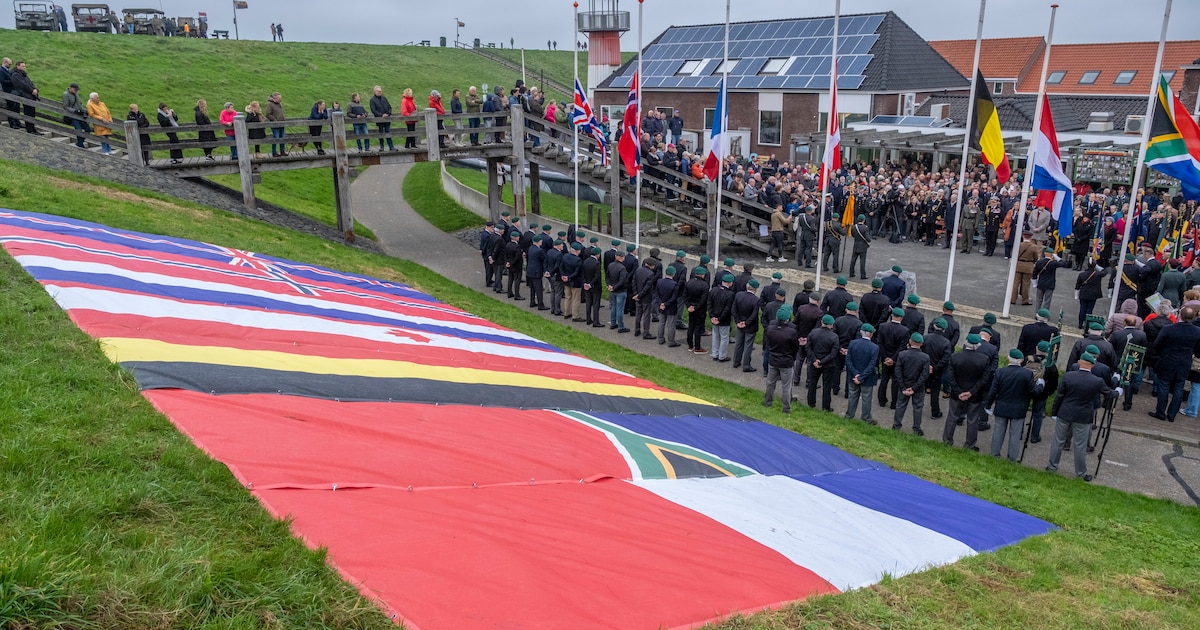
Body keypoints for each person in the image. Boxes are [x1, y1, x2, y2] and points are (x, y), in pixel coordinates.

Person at [1048, 352, 1118, 481]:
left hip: (1065, 412)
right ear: (1092, 365)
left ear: (1079, 362)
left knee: (1058, 441)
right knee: (1080, 446)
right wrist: (1118, 391)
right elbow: (1109, 394)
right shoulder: (1097, 381)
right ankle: (1081, 473)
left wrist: (1054, 412)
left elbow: (1059, 396)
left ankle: (1052, 466)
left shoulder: (1068, 376)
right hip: (1083, 416)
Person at [985, 349, 1045, 462]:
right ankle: (1012, 458)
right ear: (1021, 360)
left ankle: (994, 454)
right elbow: (1033, 392)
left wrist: (988, 405)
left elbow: (993, 391)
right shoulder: (1027, 374)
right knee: (1015, 435)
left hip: (1002, 406)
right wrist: (1041, 385)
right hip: (1019, 409)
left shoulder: (1000, 372)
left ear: (1008, 358)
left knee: (998, 432)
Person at [943, 333, 994, 450]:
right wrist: (971, 392)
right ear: (978, 345)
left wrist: (958, 391)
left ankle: (947, 440)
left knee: (952, 417)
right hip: (975, 395)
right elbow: (984, 379)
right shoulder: (984, 359)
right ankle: (970, 444)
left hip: (957, 394)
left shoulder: (955, 357)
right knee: (973, 419)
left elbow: (950, 376)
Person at [1149, 305, 1200, 423]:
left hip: (1167, 360)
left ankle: (1160, 412)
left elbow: (1157, 344)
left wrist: (1163, 353)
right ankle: (1172, 415)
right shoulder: (1197, 332)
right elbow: (1197, 348)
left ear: (1180, 315)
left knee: (1164, 386)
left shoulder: (1169, 329)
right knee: (1179, 387)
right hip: (1184, 362)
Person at [893, 333, 931, 435]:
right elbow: (924, 375)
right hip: (918, 388)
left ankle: (896, 425)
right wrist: (914, 388)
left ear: (910, 341)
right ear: (921, 343)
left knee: (900, 405)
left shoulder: (902, 354)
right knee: (918, 408)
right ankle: (916, 428)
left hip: (904, 385)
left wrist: (903, 387)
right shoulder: (925, 357)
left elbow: (898, 372)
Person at [764, 305, 799, 414]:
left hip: (773, 359)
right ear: (787, 319)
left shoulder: (769, 329)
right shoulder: (791, 332)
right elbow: (795, 348)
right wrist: (792, 358)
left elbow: (768, 343)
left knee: (770, 383)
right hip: (786, 362)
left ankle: (768, 402)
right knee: (786, 386)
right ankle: (786, 408)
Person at [806, 314, 841, 411]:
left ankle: (811, 403)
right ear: (831, 325)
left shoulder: (813, 332)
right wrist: (821, 362)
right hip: (828, 364)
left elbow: (808, 348)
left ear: (822, 322)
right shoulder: (834, 337)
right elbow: (833, 354)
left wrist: (814, 360)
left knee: (813, 383)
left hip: (814, 363)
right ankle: (826, 406)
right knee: (827, 385)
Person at [845, 324, 879, 424]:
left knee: (852, 396)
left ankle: (849, 415)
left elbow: (848, 360)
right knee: (866, 399)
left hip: (853, 376)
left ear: (861, 332)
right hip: (867, 378)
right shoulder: (874, 347)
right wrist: (862, 377)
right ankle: (866, 418)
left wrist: (856, 374)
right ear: (871, 334)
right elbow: (871, 365)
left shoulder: (852, 343)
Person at [876, 307, 909, 408]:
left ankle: (881, 400)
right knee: (895, 380)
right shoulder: (905, 330)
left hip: (885, 357)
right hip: (897, 359)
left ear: (892, 315)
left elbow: (880, 342)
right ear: (901, 318)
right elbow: (902, 346)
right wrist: (893, 359)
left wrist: (885, 357)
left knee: (884, 379)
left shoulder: (882, 326)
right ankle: (894, 403)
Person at [923, 318, 953, 419]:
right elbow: (945, 359)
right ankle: (935, 412)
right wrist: (935, 368)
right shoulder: (946, 343)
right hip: (937, 371)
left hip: (924, 368)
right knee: (935, 393)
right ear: (944, 329)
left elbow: (921, 353)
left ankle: (917, 407)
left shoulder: (925, 338)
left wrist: (927, 366)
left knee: (920, 388)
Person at [732, 279, 761, 371]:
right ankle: (746, 365)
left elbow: (734, 309)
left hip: (740, 323)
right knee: (748, 345)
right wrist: (746, 323)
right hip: (750, 326)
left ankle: (736, 361)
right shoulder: (756, 300)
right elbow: (754, 314)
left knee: (738, 343)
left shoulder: (738, 295)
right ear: (755, 289)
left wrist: (738, 321)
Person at [1031, 247, 1070, 311]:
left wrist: (1034, 284)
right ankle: (1044, 315)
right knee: (1047, 301)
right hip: (1050, 284)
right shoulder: (1053, 263)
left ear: (1045, 253)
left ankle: (1037, 313)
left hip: (1041, 283)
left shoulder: (1039, 262)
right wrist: (1057, 257)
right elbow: (1064, 264)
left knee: (1039, 300)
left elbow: (1034, 274)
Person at [708, 274, 735, 361]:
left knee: (715, 336)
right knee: (724, 338)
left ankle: (715, 354)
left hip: (714, 317)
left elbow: (709, 304)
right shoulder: (730, 294)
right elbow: (727, 308)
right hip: (724, 319)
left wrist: (712, 316)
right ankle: (722, 356)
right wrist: (720, 319)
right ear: (730, 283)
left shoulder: (713, 290)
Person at [684, 268, 710, 353]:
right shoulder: (705, 285)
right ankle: (698, 347)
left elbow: (685, 296)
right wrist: (696, 307)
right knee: (698, 328)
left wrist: (689, 306)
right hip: (700, 309)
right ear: (702, 275)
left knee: (691, 326)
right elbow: (703, 299)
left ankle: (690, 345)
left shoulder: (689, 283)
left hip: (691, 307)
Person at [9, 61, 38, 134]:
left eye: (24, 66)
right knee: (28, 112)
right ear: (17, 66)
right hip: (25, 96)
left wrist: (35, 89)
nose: (24, 68)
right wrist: (31, 90)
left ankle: (33, 128)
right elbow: (22, 85)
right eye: (22, 66)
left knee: (32, 113)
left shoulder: (23, 74)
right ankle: (30, 129)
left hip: (30, 96)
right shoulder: (15, 75)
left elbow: (30, 83)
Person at [1075, 259, 1105, 330]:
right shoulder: (1098, 274)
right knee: (1089, 310)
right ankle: (1087, 325)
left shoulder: (1082, 274)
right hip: (1093, 294)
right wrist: (1098, 267)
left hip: (1083, 293)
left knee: (1082, 309)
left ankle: (1080, 324)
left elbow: (1077, 286)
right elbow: (1105, 272)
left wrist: (1076, 295)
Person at [631, 258, 658, 336]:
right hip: (646, 297)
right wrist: (639, 295)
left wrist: (636, 294)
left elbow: (634, 282)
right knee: (646, 315)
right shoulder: (650, 274)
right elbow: (647, 287)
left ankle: (637, 330)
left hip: (638, 296)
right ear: (651, 265)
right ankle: (646, 332)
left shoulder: (638, 270)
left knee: (638, 314)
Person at [656, 265, 680, 347]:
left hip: (661, 306)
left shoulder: (659, 281)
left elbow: (657, 294)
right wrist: (666, 304)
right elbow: (674, 297)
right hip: (671, 307)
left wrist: (661, 303)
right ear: (673, 274)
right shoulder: (675, 284)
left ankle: (660, 339)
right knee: (671, 325)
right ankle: (671, 341)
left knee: (661, 323)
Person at [1012, 234, 1040, 305]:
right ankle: (1025, 300)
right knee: (1026, 284)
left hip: (1018, 265)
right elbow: (1036, 257)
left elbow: (1014, 254)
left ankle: (1013, 299)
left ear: (1023, 237)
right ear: (1030, 237)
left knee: (1015, 283)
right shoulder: (1034, 247)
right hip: (1028, 266)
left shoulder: (1019, 245)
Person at [62, 83, 90, 148]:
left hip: (79, 115)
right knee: (78, 129)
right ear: (71, 88)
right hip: (72, 115)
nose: (76, 91)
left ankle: (80, 142)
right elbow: (65, 106)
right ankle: (80, 144)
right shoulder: (66, 94)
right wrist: (75, 111)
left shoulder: (76, 95)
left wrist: (84, 111)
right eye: (75, 89)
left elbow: (79, 105)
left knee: (88, 129)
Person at [582, 246, 604, 327]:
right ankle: (596, 321)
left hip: (586, 286)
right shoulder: (597, 263)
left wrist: (585, 283)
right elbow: (597, 276)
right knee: (595, 304)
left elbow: (583, 274)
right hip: (595, 287)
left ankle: (588, 319)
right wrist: (591, 284)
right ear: (597, 254)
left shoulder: (585, 261)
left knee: (588, 303)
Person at [369, 86, 395, 151]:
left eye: (381, 91)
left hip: (387, 119)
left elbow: (389, 107)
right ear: (375, 92)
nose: (380, 92)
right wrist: (381, 115)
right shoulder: (372, 100)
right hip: (379, 120)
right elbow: (373, 110)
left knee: (388, 132)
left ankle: (391, 146)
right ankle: (382, 147)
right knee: (381, 133)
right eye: (379, 91)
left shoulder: (384, 98)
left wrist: (388, 114)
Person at [848, 214, 871, 279]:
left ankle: (851, 273)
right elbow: (868, 239)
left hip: (856, 244)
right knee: (862, 261)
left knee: (853, 259)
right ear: (863, 220)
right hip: (863, 246)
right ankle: (863, 275)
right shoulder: (865, 228)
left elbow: (853, 235)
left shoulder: (853, 227)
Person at [265, 92, 286, 157]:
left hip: (282, 123)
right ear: (275, 98)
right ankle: (274, 152)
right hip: (275, 124)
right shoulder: (270, 104)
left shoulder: (279, 104)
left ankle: (282, 151)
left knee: (282, 138)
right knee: (276, 138)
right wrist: (274, 120)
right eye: (279, 98)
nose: (280, 99)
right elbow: (268, 114)